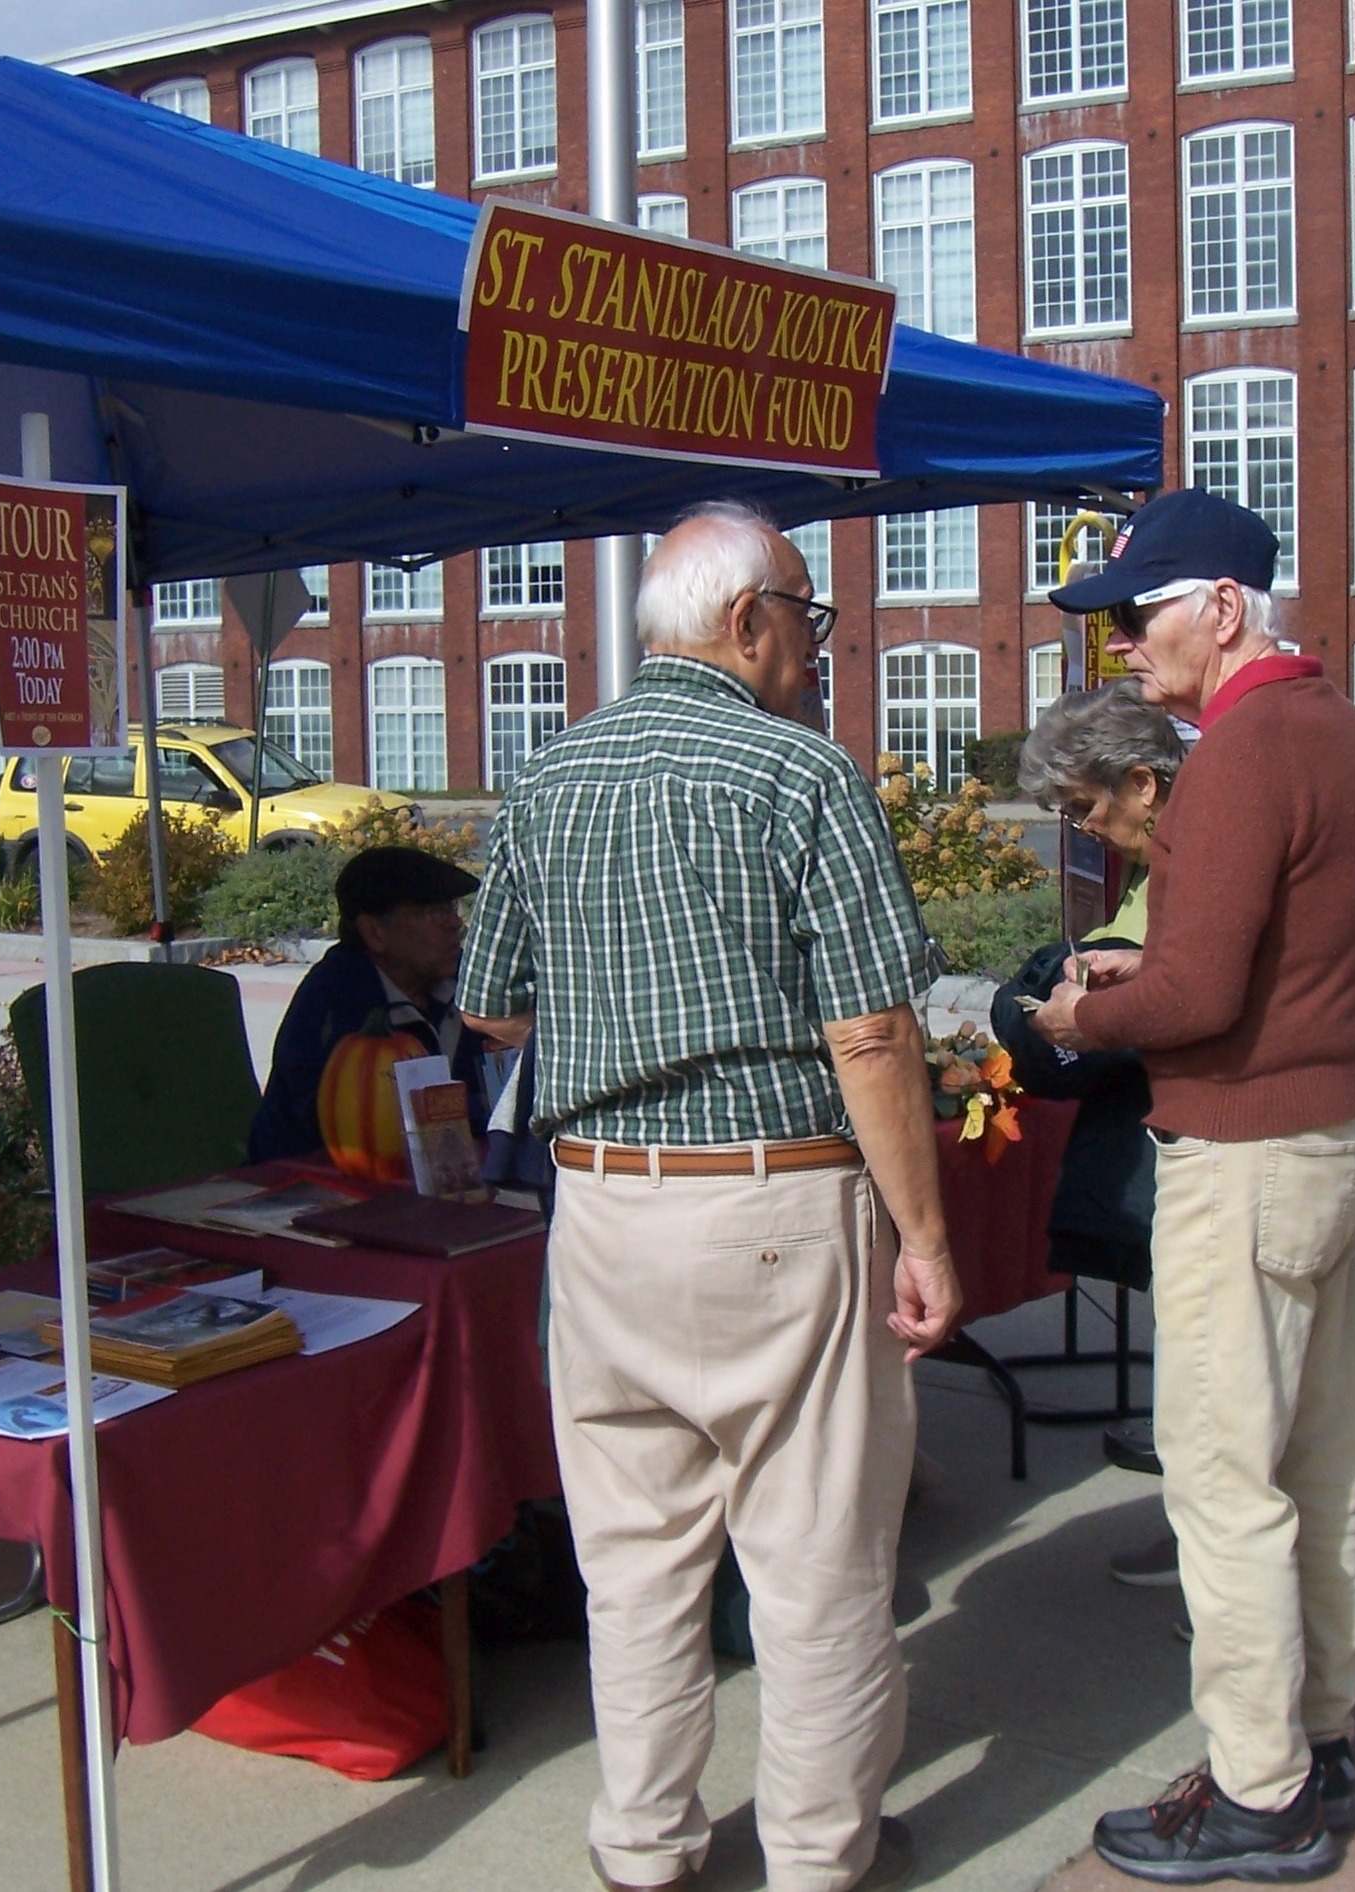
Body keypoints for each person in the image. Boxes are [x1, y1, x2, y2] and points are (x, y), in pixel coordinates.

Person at [458, 500, 960, 1892]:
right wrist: (924, 1236)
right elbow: (872, 1033)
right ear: (748, 621)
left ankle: (645, 1848)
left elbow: (493, 1011)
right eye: (811, 616)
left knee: (634, 1569)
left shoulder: (548, 778)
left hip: (603, 1212)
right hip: (776, 1210)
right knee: (814, 1572)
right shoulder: (804, 777)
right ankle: (816, 1857)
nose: (821, 647)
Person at [1034, 487, 1355, 1883]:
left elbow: (1197, 991)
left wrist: (1081, 1017)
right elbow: (1281, 956)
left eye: (1136, 614)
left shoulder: (1245, 746)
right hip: (1329, 1130)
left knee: (1223, 1480)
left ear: (1223, 609)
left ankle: (1261, 1795)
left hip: (1249, 1152)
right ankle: (1317, 1735)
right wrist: (1163, 970)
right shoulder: (1334, 727)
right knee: (1313, 1459)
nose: (1121, 642)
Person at [995, 680, 1185, 1585]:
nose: (1080, 830)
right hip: (1180, 1131)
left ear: (1143, 783)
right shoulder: (1165, 857)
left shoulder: (1197, 854)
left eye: (1083, 808)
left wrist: (1087, 1007)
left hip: (1205, 1145)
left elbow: (1193, 991)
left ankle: (1224, 1579)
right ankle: (1205, 1547)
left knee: (1219, 1376)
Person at [247, 844, 484, 1163]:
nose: (454, 923)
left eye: (452, 908)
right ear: (374, 933)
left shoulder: (465, 984)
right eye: (432, 911)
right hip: (319, 1186)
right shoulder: (335, 1001)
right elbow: (335, 1127)